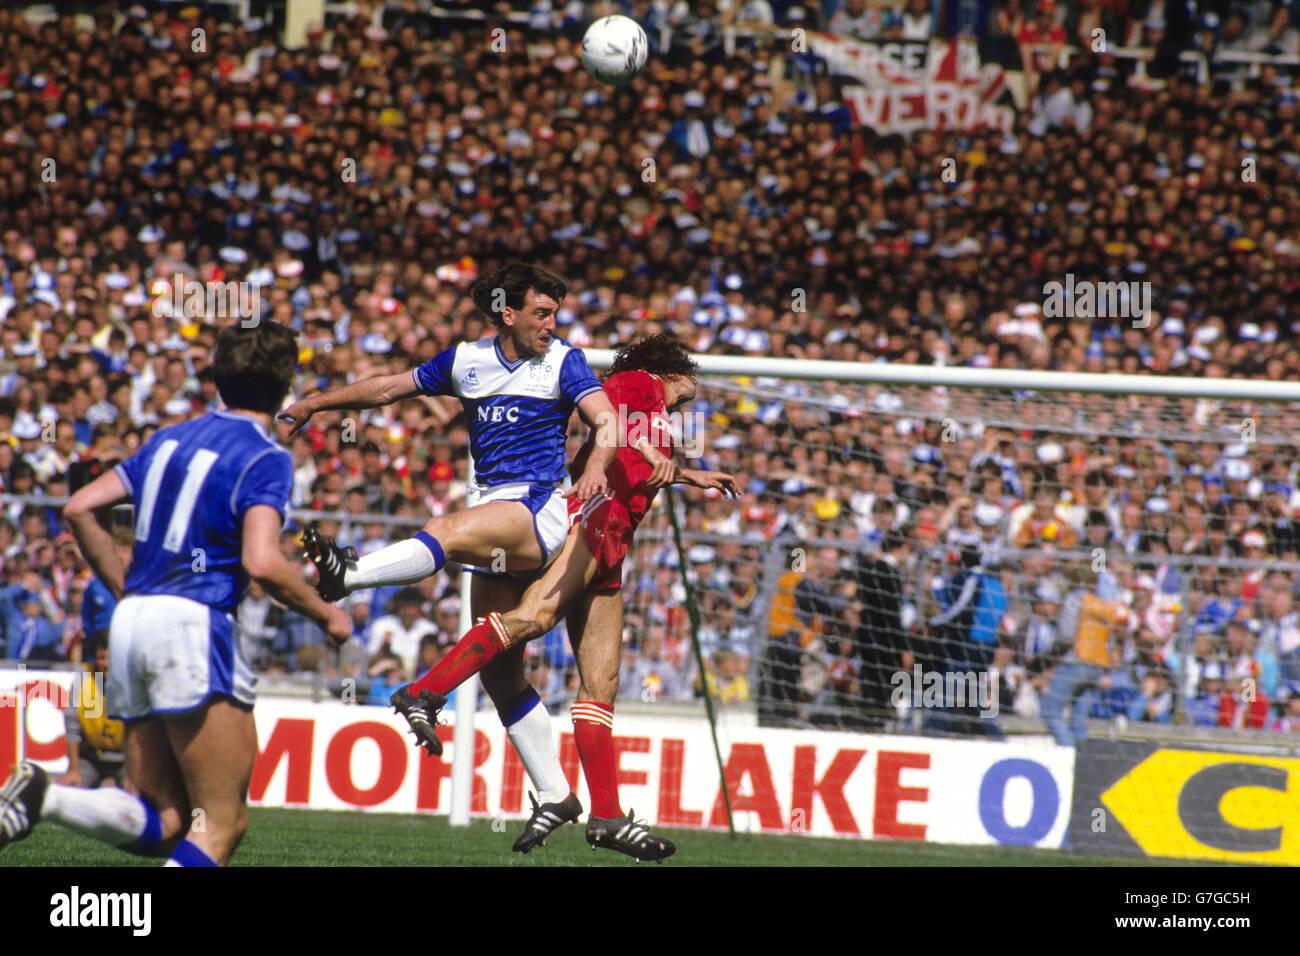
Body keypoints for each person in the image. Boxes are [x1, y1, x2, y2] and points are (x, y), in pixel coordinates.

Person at [282, 263, 622, 848]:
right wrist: (317, 401)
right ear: (507, 313)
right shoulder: (467, 360)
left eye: (555, 313)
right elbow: (388, 388)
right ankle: (555, 793)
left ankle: (350, 574)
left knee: (443, 527)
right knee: (498, 671)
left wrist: (594, 466)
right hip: (492, 522)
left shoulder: (563, 361)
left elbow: (608, 421)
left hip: (538, 510)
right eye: (541, 312)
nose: (552, 324)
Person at [0, 321, 351, 866]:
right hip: (194, 625)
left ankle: (47, 796)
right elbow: (261, 559)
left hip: (132, 621)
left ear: (218, 376)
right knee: (221, 823)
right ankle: (46, 798)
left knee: (167, 821)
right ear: (287, 384)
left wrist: (126, 590)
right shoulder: (266, 456)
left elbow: (79, 507)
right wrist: (326, 613)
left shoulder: (169, 438)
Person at [394, 334, 737, 860]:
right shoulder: (640, 382)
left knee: (602, 682)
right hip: (594, 517)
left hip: (617, 537)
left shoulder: (656, 413)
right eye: (691, 375)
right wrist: (642, 451)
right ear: (672, 370)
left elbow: (637, 463)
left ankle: (607, 817)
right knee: (535, 617)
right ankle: (425, 691)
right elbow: (609, 419)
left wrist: (690, 475)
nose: (695, 387)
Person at [59, 639, 126, 791]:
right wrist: (73, 769)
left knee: (137, 798)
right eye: (101, 658)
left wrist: (136, 772)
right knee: (71, 792)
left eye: (111, 658)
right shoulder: (83, 677)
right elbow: (72, 726)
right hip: (91, 757)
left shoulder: (130, 678)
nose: (106, 664)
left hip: (126, 760)